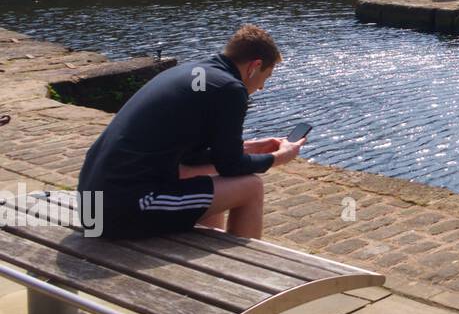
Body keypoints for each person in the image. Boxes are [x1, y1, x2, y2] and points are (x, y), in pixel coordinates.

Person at [76, 25, 301, 240]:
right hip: (122, 211)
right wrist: (279, 157)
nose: (261, 87)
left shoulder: (192, 72)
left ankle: (208, 261)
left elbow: (192, 157)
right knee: (251, 187)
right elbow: (231, 166)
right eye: (266, 77)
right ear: (254, 66)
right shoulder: (230, 89)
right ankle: (242, 274)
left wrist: (247, 148)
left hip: (92, 206)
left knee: (202, 177)